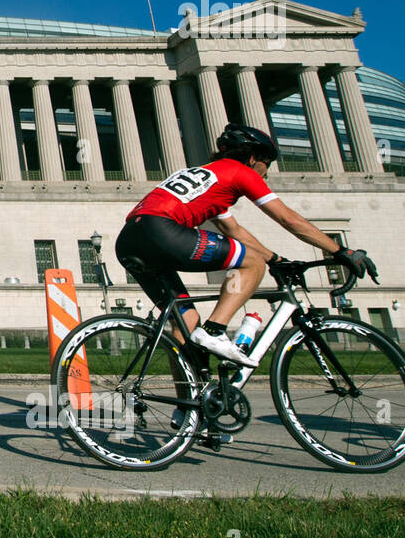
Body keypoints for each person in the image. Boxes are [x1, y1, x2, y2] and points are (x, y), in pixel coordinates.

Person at [116, 123, 377, 366]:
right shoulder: (240, 171)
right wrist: (341, 251)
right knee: (252, 262)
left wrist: (276, 260)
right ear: (253, 158)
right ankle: (215, 331)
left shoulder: (207, 178)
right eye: (267, 163)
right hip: (163, 230)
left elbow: (233, 229)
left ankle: (187, 406)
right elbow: (288, 218)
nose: (267, 171)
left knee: (185, 321)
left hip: (130, 239)